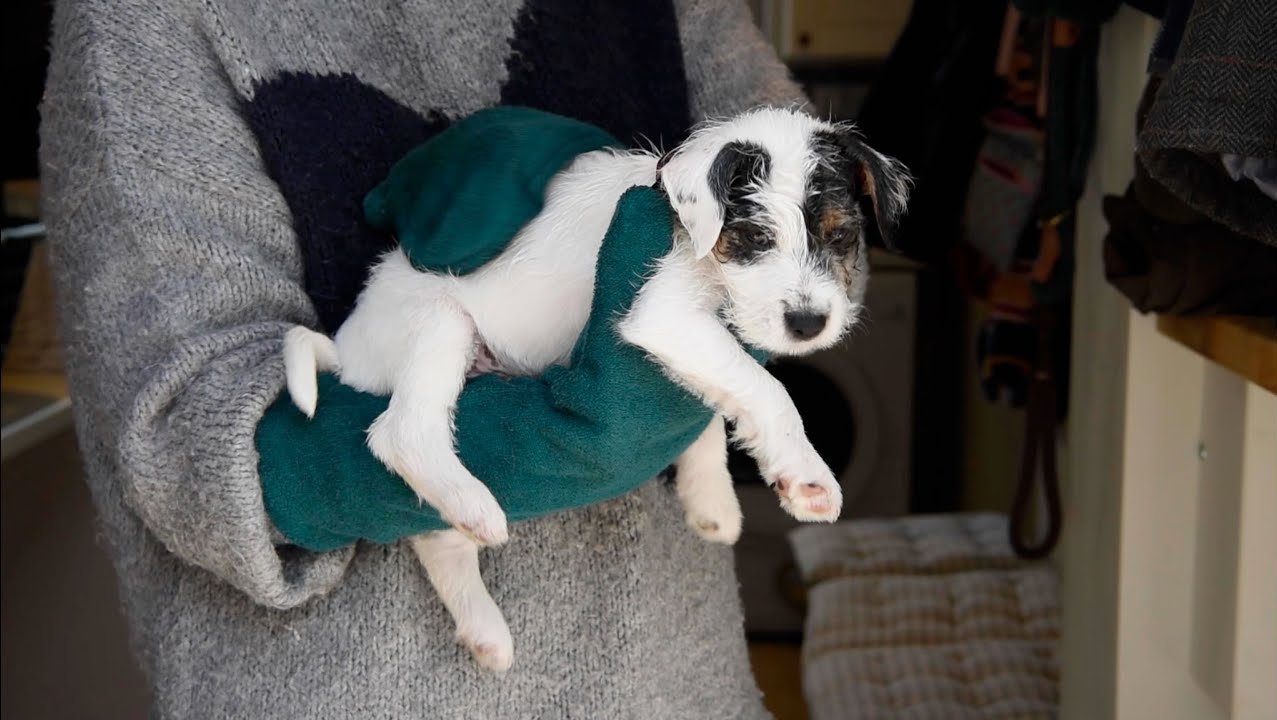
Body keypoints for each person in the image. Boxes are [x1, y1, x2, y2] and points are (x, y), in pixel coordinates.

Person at [39, 1, 805, 717]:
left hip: (680, 681)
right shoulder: (143, 23)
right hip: (363, 693)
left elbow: (814, 200)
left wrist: (718, 347)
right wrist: (539, 444)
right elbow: (188, 448)